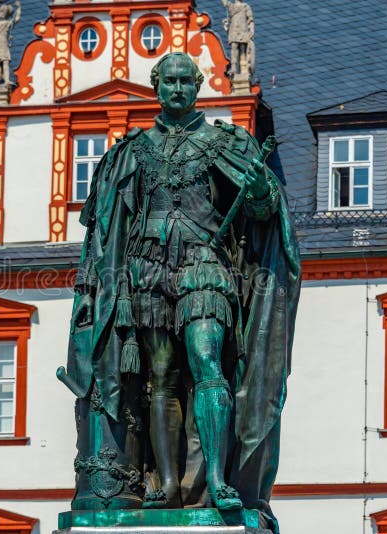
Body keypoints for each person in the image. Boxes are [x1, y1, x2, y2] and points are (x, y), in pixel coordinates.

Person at [64, 53, 299, 527]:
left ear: (198, 85)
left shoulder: (224, 142)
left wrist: (257, 191)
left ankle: (215, 479)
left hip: (204, 266)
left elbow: (263, 211)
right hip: (145, 271)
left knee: (207, 364)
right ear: (156, 86)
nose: (176, 89)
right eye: (168, 81)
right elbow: (106, 230)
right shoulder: (130, 151)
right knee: (162, 377)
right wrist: (98, 287)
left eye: (185, 81)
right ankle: (168, 484)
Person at [0, 1, 21, 87]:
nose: (1, 14)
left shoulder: (7, 23)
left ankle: (6, 80)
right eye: (0, 12)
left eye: (3, 12)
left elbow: (16, 19)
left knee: (5, 62)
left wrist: (18, 8)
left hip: (3, 44)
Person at [222, 0, 255, 76]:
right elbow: (224, 2)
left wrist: (252, 30)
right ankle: (234, 67)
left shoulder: (245, 6)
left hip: (243, 30)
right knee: (234, 47)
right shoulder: (231, 6)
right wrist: (226, 26)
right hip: (234, 30)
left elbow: (250, 20)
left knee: (243, 49)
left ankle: (244, 69)